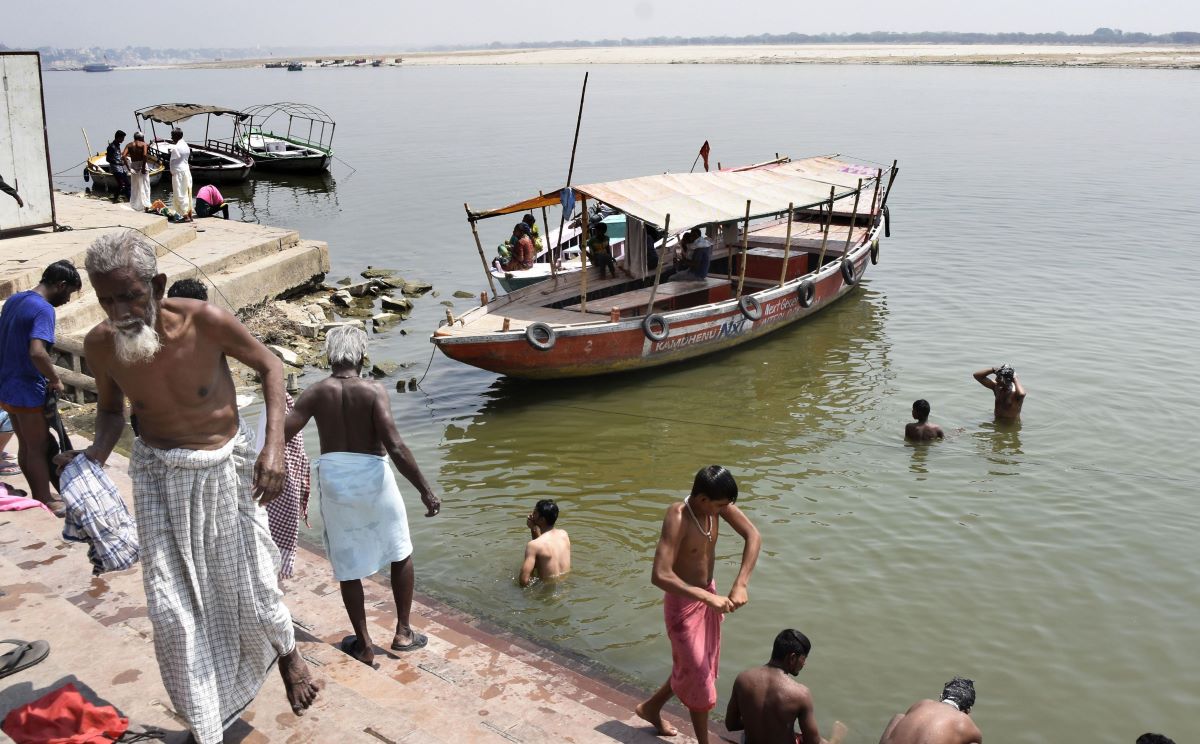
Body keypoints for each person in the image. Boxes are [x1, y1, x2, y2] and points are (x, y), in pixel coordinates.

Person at [60, 231, 321, 743]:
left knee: (254, 585)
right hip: (159, 477)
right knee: (170, 608)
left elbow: (270, 366)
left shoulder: (205, 323)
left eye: (130, 295)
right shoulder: (100, 345)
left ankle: (289, 656)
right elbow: (111, 411)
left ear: (156, 285)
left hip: (226, 469)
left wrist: (272, 448)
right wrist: (91, 456)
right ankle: (206, 725)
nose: (120, 310)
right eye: (106, 298)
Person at [285, 325, 441, 666]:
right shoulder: (373, 392)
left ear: (329, 356)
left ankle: (365, 643)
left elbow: (281, 433)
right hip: (374, 478)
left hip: (335, 482)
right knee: (400, 550)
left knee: (347, 562)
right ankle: (403, 632)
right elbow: (396, 446)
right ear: (362, 356)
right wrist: (425, 491)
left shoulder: (315, 392)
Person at [636, 465, 761, 744]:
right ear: (703, 499)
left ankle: (651, 708)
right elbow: (660, 574)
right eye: (719, 506)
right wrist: (706, 597)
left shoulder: (718, 507)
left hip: (710, 596)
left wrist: (741, 582)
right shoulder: (677, 516)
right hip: (683, 606)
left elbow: (753, 536)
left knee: (696, 667)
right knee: (702, 680)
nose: (722, 511)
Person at [0, 261, 82, 513]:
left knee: (26, 444)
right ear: (61, 285)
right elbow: (37, 352)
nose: (67, 300)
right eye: (68, 294)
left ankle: (40, 495)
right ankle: (45, 498)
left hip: (7, 384)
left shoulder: (15, 299)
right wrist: (55, 379)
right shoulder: (44, 309)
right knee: (38, 446)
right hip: (26, 387)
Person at [726, 629, 837, 744]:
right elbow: (813, 742)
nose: (804, 663)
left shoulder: (743, 679)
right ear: (793, 658)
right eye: (804, 658)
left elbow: (730, 724)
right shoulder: (801, 694)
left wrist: (757, 719)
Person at [878, 677, 982, 744]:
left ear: (941, 697)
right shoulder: (965, 723)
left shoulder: (923, 703)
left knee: (899, 717)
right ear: (968, 711)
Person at [518, 499, 571, 587]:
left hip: (545, 589)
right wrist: (534, 529)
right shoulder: (564, 535)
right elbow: (543, 552)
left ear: (542, 519)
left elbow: (524, 580)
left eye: (534, 513)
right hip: (564, 585)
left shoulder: (533, 545)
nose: (531, 515)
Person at [122, 132, 152, 212]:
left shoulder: (129, 145)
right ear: (141, 138)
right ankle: (146, 205)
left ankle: (135, 205)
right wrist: (143, 167)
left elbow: (123, 156)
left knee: (135, 186)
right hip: (142, 164)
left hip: (134, 166)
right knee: (145, 185)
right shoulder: (143, 144)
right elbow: (145, 155)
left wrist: (128, 167)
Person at [168, 128, 194, 221]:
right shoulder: (186, 145)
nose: (171, 137)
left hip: (178, 172)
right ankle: (189, 214)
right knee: (186, 193)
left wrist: (172, 171)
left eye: (172, 135)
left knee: (179, 194)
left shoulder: (176, 148)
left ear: (176, 136)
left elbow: (172, 161)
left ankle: (185, 215)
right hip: (186, 171)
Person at [105, 130, 129, 203]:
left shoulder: (118, 145)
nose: (123, 140)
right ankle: (116, 198)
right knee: (121, 184)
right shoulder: (111, 147)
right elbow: (108, 159)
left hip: (121, 168)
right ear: (118, 137)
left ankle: (128, 198)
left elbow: (117, 155)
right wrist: (118, 163)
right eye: (122, 138)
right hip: (115, 169)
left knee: (127, 183)